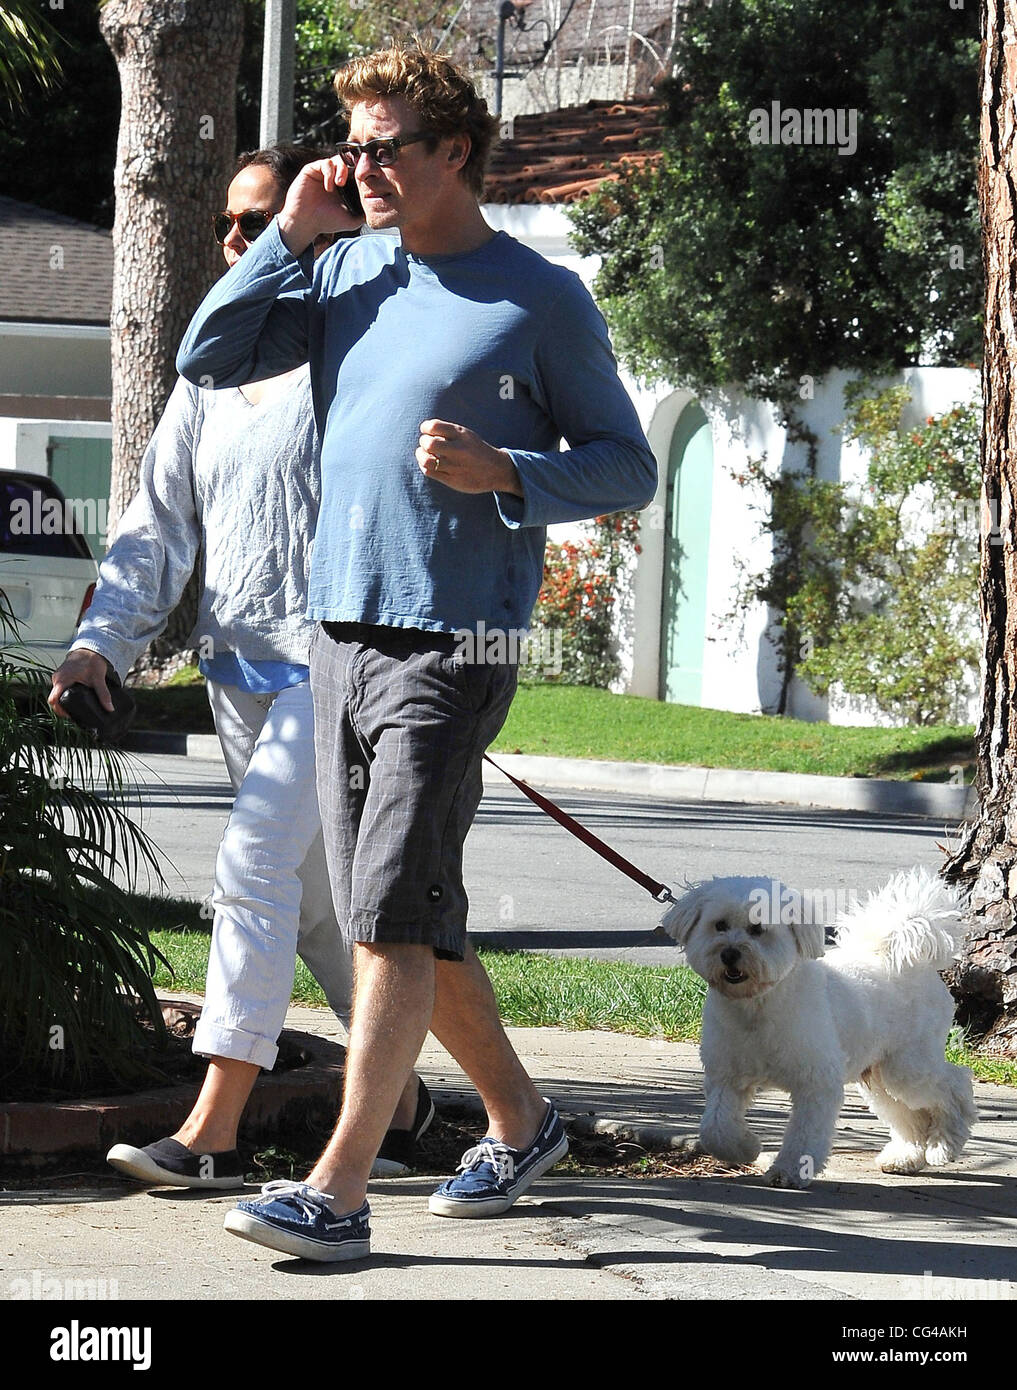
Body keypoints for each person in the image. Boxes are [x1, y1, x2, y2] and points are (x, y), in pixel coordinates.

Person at [176, 46, 657, 1262]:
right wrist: (288, 232)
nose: (366, 165)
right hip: (331, 634)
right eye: (357, 144)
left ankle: (337, 1189)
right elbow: (207, 359)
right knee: (417, 918)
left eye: (389, 144)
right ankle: (524, 1115)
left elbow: (626, 461)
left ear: (456, 153)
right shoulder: (344, 269)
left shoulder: (537, 299)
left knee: (386, 907)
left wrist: (510, 475)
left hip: (455, 640)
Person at [49, 143, 431, 1191]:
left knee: (253, 869)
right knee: (321, 909)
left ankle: (209, 1131)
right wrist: (102, 644)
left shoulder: (357, 349)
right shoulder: (214, 374)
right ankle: (421, 1105)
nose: (237, 239)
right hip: (239, 675)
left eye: (262, 219)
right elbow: (158, 522)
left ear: (327, 225)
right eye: (230, 222)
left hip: (338, 663)